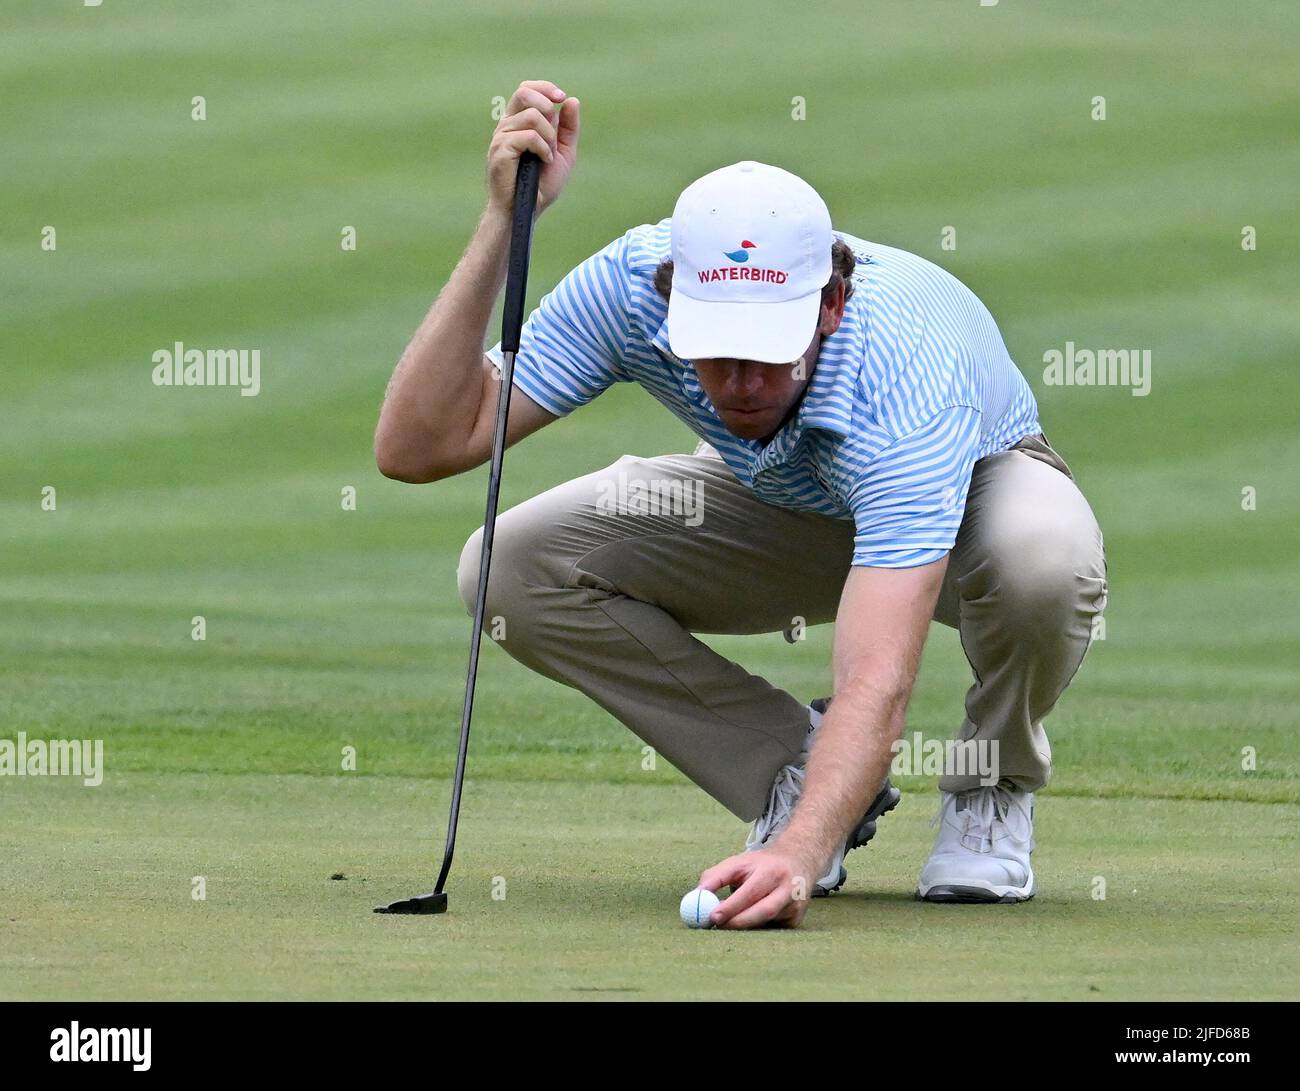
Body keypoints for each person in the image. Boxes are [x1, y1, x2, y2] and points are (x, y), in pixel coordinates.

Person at [375, 80, 1108, 929]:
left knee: (1043, 555)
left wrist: (796, 856)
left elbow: (878, 672)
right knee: (506, 567)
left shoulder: (904, 374)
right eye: (717, 350)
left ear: (831, 304)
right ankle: (792, 770)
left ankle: (992, 783)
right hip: (774, 495)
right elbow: (418, 447)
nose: (741, 382)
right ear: (673, 297)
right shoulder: (629, 287)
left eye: (765, 350)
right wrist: (507, 224)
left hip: (970, 495)